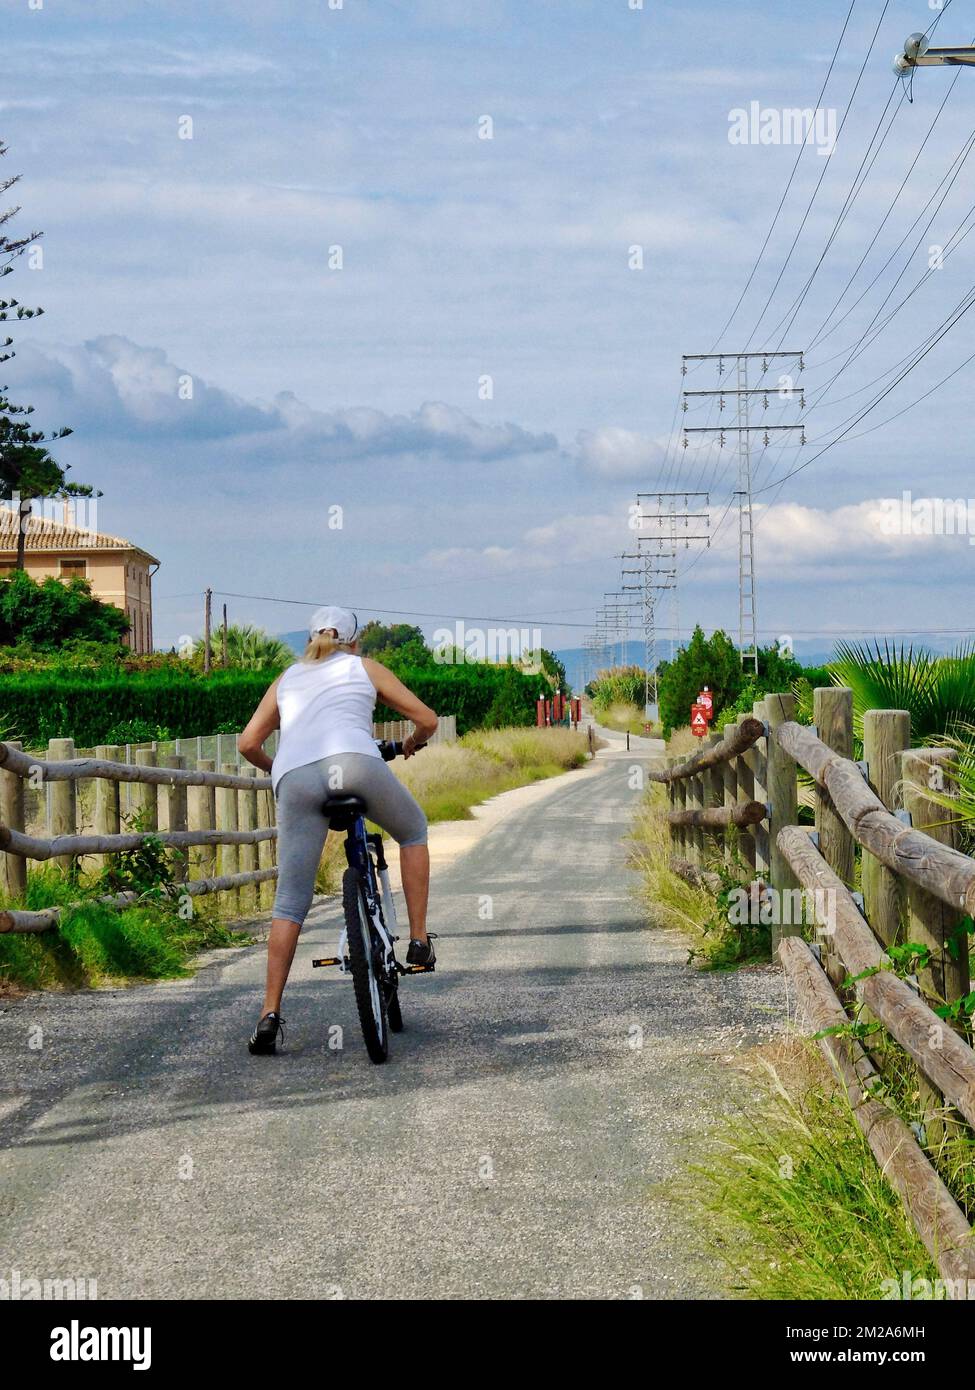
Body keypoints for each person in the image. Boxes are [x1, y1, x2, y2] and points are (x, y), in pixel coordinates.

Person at [237, 605, 438, 1055]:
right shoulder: (362, 667)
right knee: (413, 831)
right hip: (355, 763)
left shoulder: (287, 678)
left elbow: (248, 743)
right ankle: (419, 940)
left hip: (296, 779)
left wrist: (281, 773)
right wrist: (409, 744)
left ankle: (269, 1013)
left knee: (290, 899)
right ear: (354, 640)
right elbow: (427, 719)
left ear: (309, 640)